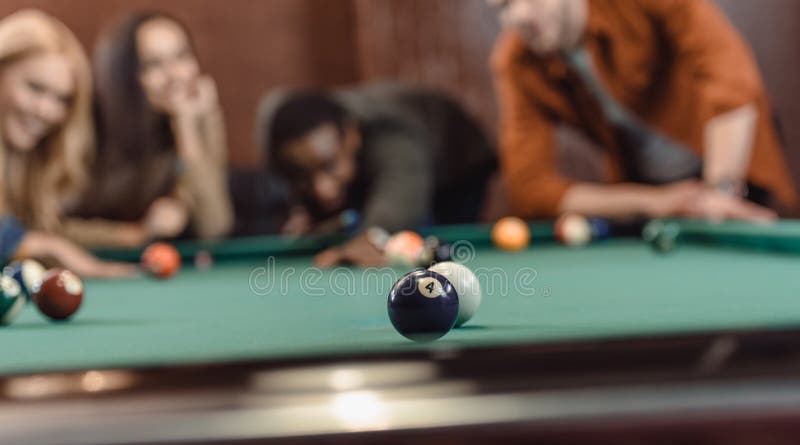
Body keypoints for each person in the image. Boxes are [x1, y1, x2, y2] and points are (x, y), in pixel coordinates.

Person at [488, 0, 797, 222]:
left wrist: (720, 192)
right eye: (502, 7)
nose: (519, 15)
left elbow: (731, 79)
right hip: (653, 189)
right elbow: (530, 188)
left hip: (733, 170)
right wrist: (657, 203)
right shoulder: (515, 62)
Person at [259, 82, 497, 267]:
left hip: (458, 163)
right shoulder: (282, 143)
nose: (323, 190)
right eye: (304, 176)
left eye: (330, 166)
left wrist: (374, 236)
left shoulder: (387, 131)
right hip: (388, 165)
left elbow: (401, 185)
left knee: (439, 252)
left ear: (352, 137)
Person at [64, 11, 233, 248]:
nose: (175, 75)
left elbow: (214, 226)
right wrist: (133, 234)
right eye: (153, 65)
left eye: (182, 56)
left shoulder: (198, 115)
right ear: (122, 77)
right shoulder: (86, 123)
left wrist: (186, 127)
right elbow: (46, 226)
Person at [0, 10, 134, 277]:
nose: (46, 111)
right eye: (35, 88)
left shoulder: (22, 165)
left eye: (62, 99)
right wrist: (38, 245)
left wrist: (128, 236)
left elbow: (47, 228)